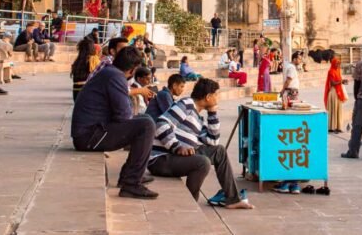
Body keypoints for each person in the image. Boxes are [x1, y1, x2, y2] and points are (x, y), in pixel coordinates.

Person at [149, 78, 254, 209]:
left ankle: (232, 198)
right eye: (216, 95)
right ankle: (190, 205)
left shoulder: (198, 118)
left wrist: (212, 113)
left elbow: (213, 141)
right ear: (208, 97)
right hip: (161, 159)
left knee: (219, 151)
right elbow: (161, 124)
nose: (218, 98)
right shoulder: (187, 104)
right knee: (202, 162)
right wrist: (177, 147)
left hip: (175, 156)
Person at [71, 46, 158, 200]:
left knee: (145, 120)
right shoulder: (115, 77)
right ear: (133, 70)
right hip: (89, 137)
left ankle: (130, 176)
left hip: (90, 132)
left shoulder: (110, 73)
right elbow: (124, 115)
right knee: (146, 126)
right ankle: (131, 183)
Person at [324, 56, 348, 133]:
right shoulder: (331, 71)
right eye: (337, 63)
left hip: (338, 92)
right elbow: (332, 83)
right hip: (334, 92)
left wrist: (343, 81)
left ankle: (338, 127)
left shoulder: (338, 71)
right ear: (333, 64)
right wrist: (341, 81)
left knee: (338, 109)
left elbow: (339, 81)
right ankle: (332, 127)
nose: (338, 65)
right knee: (333, 110)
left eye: (339, 64)